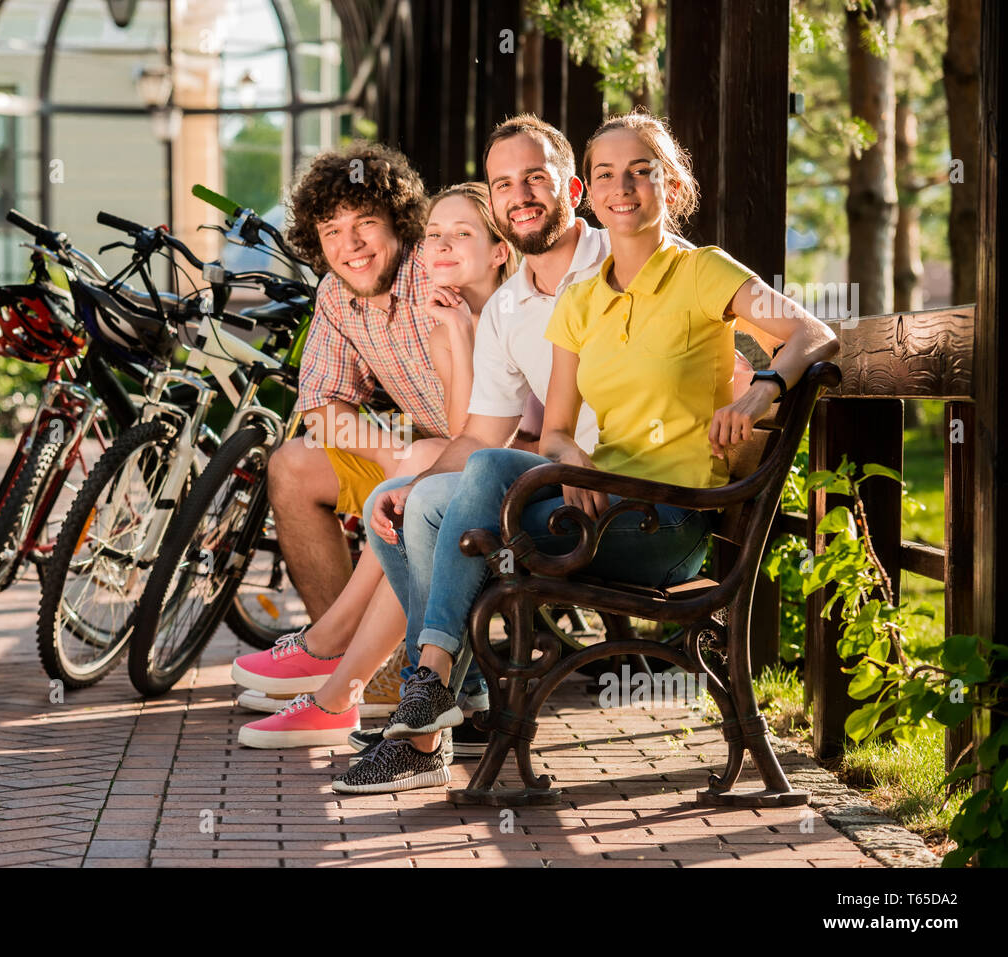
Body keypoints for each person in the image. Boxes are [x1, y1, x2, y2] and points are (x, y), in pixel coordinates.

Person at [339, 109, 839, 794]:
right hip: (593, 499)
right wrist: (578, 461)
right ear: (592, 188)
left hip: (665, 517)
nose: (622, 186)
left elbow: (810, 333)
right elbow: (552, 432)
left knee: (459, 511)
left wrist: (756, 396)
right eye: (609, 172)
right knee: (455, 482)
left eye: (640, 171)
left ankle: (428, 711)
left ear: (671, 184)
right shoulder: (579, 300)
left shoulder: (700, 271)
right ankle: (436, 695)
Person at [237, 182, 519, 747]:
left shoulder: (441, 273)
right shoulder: (337, 294)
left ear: (399, 225)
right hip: (429, 449)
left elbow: (481, 428)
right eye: (331, 233)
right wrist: (397, 456)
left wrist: (415, 465)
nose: (352, 246)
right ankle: (348, 658)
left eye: (364, 223)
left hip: (481, 456)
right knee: (295, 465)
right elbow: (319, 405)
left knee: (422, 479)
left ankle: (340, 661)